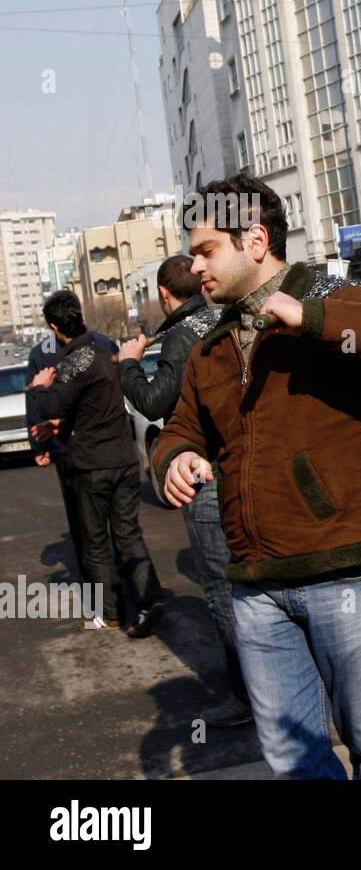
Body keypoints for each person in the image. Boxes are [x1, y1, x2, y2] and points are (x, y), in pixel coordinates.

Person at [154, 172, 361, 779]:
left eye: (206, 251)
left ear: (255, 240)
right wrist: (174, 457)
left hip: (345, 569)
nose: (196, 267)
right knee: (293, 758)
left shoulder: (331, 297)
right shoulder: (209, 345)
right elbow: (182, 425)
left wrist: (313, 318)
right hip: (254, 584)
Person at [117, 254, 250, 727]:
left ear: (163, 295)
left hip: (205, 472)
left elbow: (156, 401)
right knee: (258, 584)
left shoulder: (180, 333)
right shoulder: (225, 314)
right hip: (244, 466)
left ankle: (247, 699)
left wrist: (130, 366)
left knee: (221, 588)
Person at [28, 291, 164, 636]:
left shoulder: (76, 358)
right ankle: (149, 600)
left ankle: (111, 612)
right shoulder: (106, 349)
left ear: (55, 327)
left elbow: (53, 405)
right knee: (129, 533)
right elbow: (92, 405)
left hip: (92, 464)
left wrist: (39, 388)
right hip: (123, 457)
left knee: (96, 542)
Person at [26, 327, 118, 582]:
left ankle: (96, 587)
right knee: (120, 524)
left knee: (83, 525)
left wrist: (40, 447)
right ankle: (126, 580)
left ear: (53, 326)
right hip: (112, 445)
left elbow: (35, 401)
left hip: (70, 449)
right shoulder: (104, 343)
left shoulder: (41, 353)